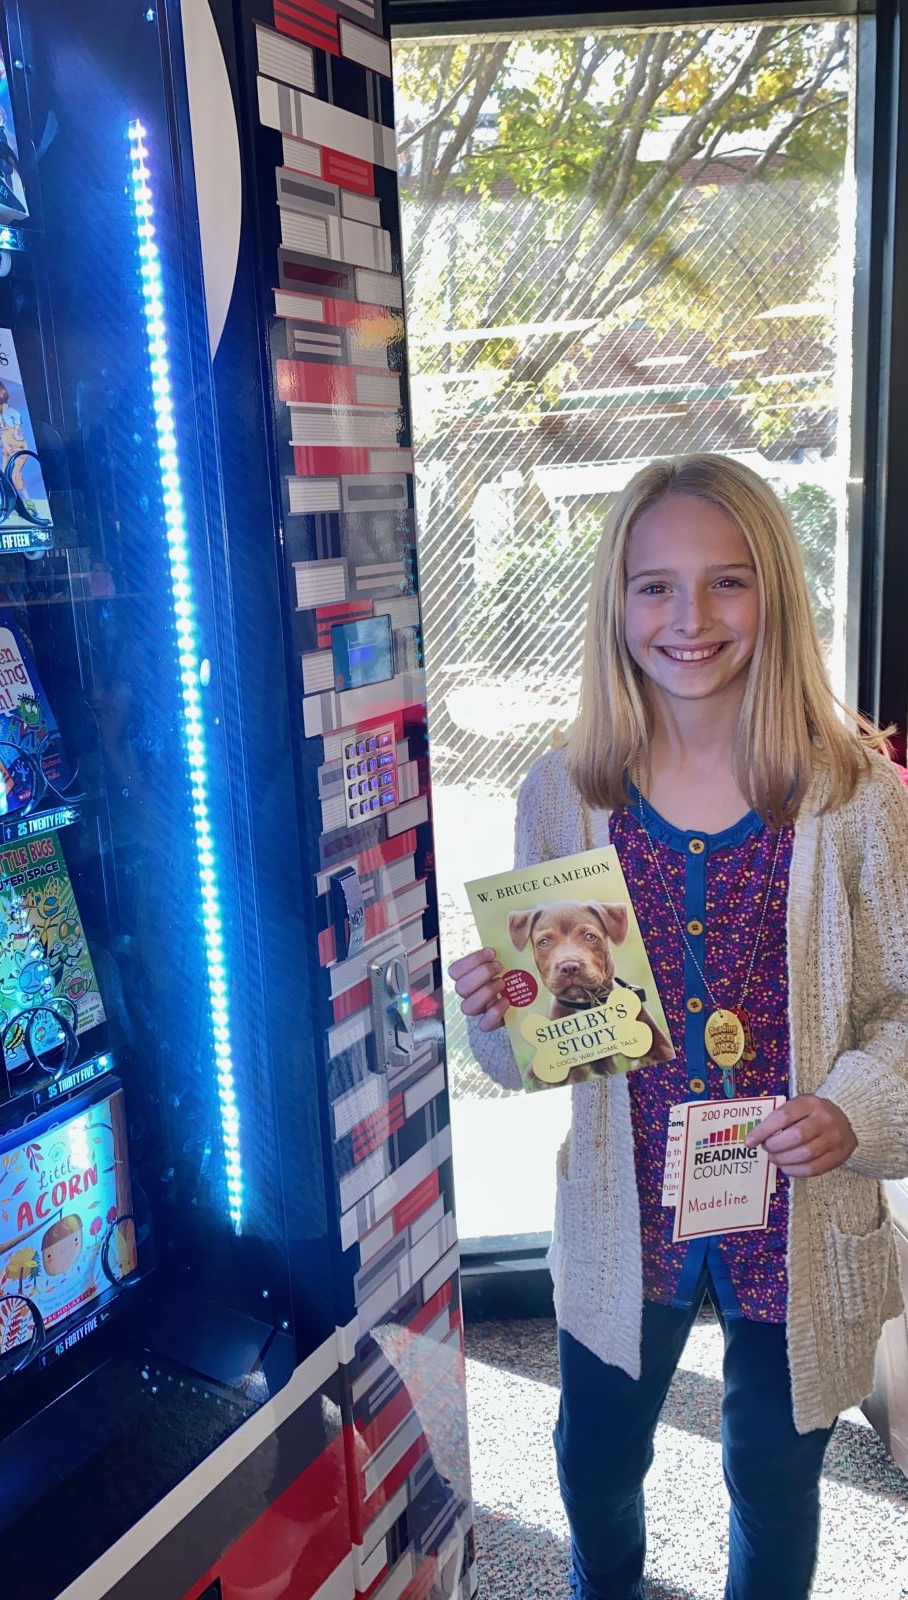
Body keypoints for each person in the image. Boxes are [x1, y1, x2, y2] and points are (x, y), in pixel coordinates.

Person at [448, 454, 908, 1600]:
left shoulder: (856, 796)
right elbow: (534, 1052)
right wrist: (495, 1013)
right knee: (595, 1458)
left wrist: (858, 1109)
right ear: (615, 602)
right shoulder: (567, 790)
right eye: (654, 586)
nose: (689, 620)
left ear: (777, 599)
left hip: (792, 1205)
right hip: (628, 1207)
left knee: (773, 1471)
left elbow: (906, 1006)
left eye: (727, 584)